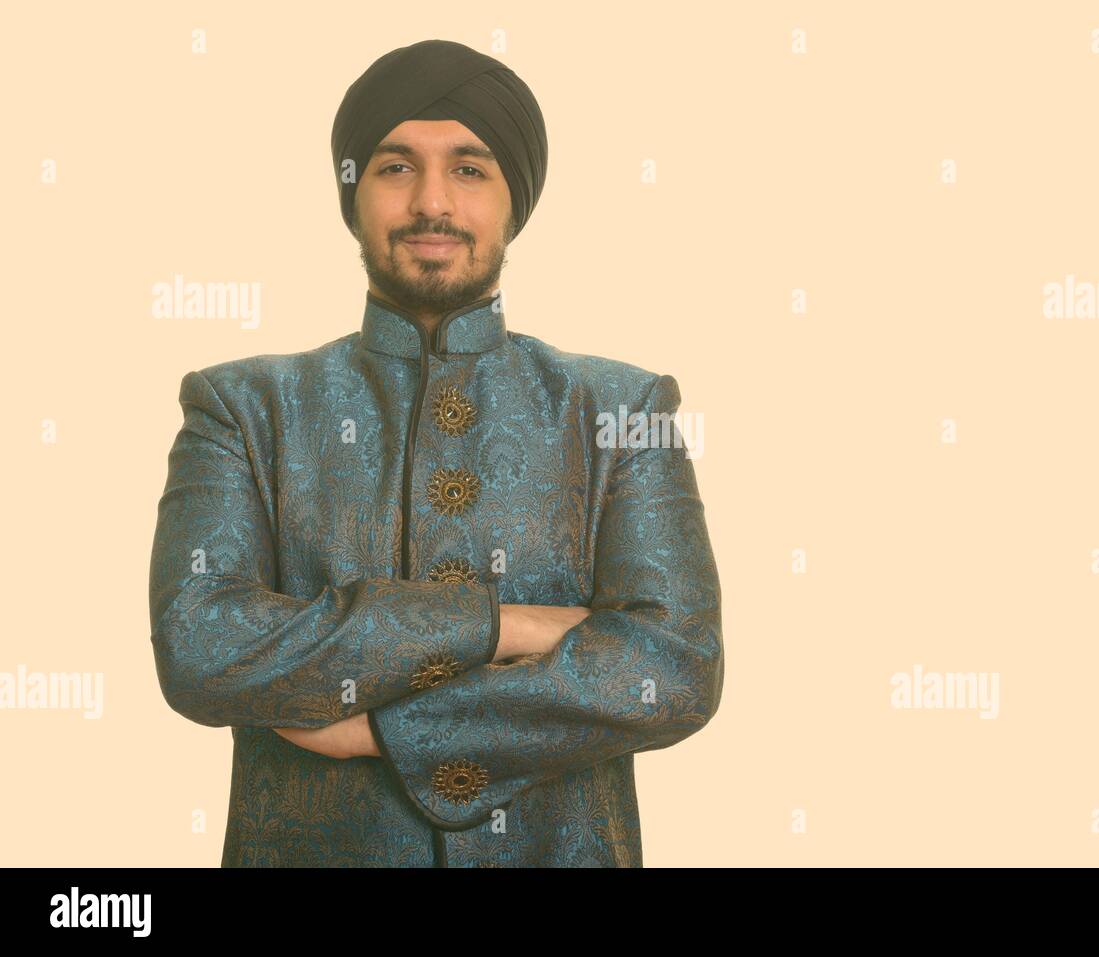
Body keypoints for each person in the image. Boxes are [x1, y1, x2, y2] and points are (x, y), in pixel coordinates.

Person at [147, 38, 723, 867]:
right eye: (393, 167)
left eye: (469, 168)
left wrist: (384, 728)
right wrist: (501, 626)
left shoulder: (624, 408)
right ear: (352, 195)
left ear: (513, 197)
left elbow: (676, 669)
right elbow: (200, 646)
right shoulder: (241, 408)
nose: (430, 202)